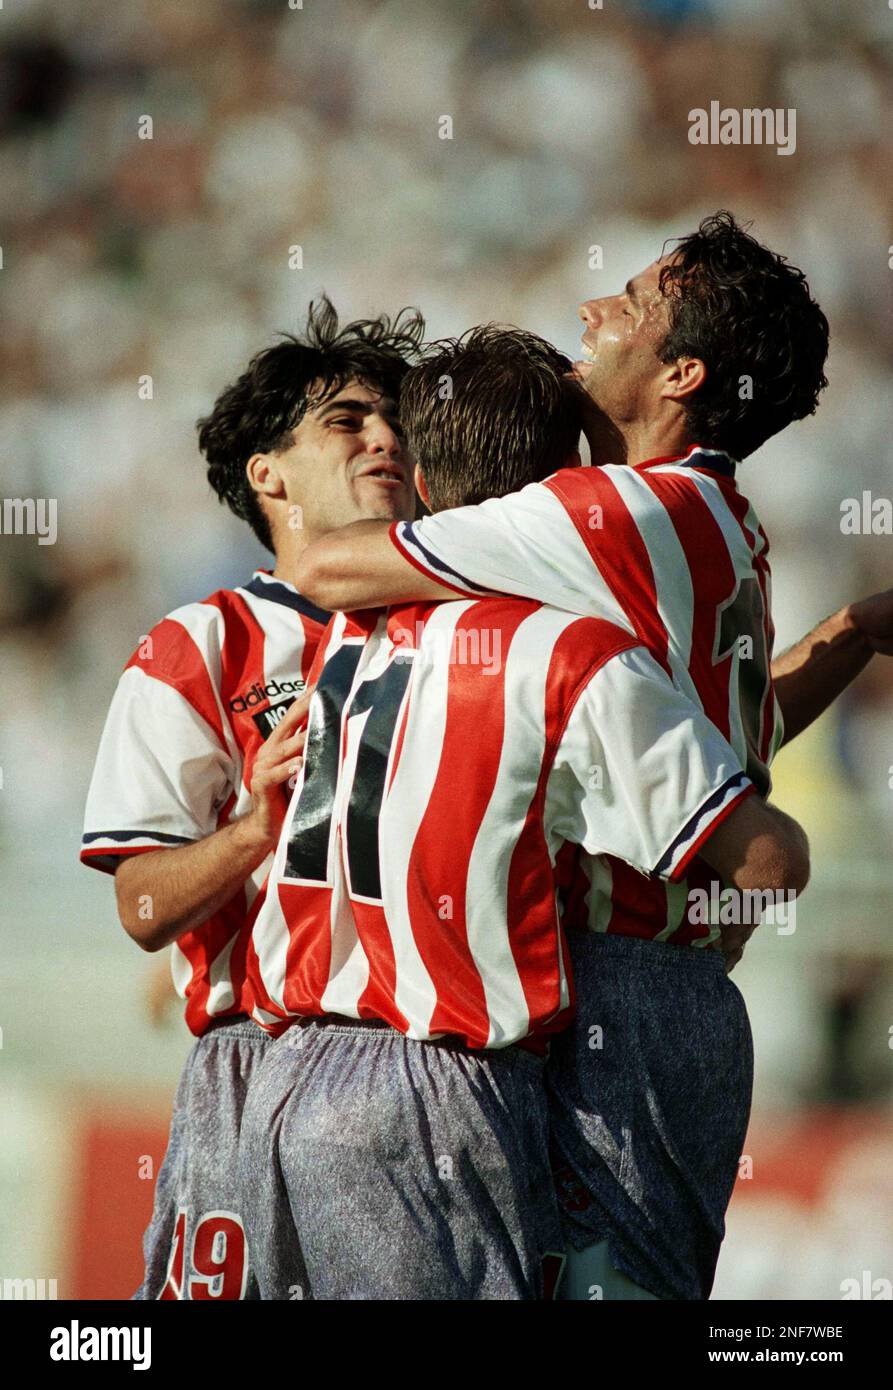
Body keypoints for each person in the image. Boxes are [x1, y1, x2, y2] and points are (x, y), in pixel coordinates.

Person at [291, 214, 893, 1298]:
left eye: (628, 300)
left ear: (682, 371)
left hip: (617, 992)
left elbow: (331, 569)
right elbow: (719, 753)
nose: (590, 311)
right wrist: (845, 636)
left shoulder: (600, 512)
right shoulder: (721, 518)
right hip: (672, 994)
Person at [80, 298, 423, 1298]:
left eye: (391, 420)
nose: (383, 438)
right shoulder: (199, 645)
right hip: (254, 1061)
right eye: (347, 420)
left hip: (434, 1073)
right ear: (266, 474)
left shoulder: (467, 633)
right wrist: (252, 838)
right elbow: (143, 905)